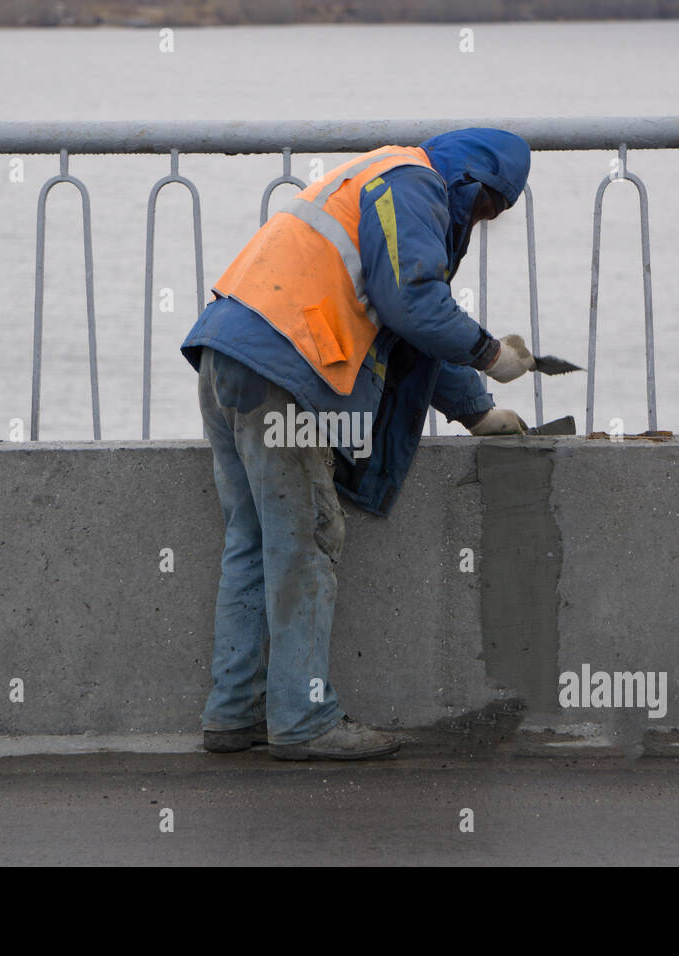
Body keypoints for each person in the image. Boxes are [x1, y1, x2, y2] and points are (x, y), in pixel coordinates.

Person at [180, 128, 540, 760]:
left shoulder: (378, 176)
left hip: (227, 353)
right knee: (307, 539)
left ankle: (234, 713)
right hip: (280, 367)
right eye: (490, 208)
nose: (485, 222)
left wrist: (477, 413)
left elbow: (408, 328)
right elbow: (415, 305)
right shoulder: (416, 187)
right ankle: (303, 720)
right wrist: (491, 354)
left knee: (253, 539)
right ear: (473, 183)